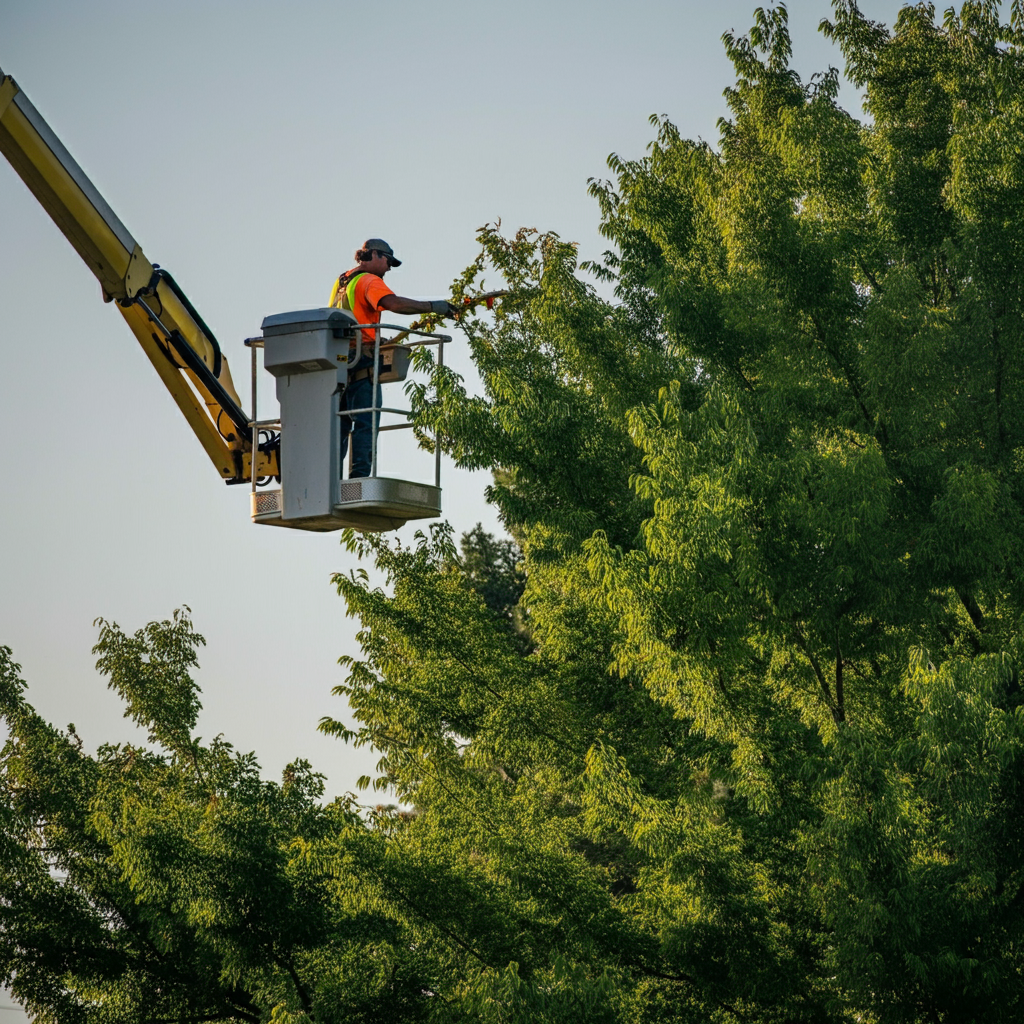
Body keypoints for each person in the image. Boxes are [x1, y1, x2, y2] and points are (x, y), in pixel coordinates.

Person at [329, 239, 456, 478]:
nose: (389, 268)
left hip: (338, 359)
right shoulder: (368, 280)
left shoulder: (343, 280)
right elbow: (392, 303)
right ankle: (359, 479)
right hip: (361, 360)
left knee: (340, 424)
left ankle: (330, 478)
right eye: (388, 261)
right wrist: (432, 306)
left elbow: (354, 318)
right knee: (366, 422)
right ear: (374, 255)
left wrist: (376, 337)